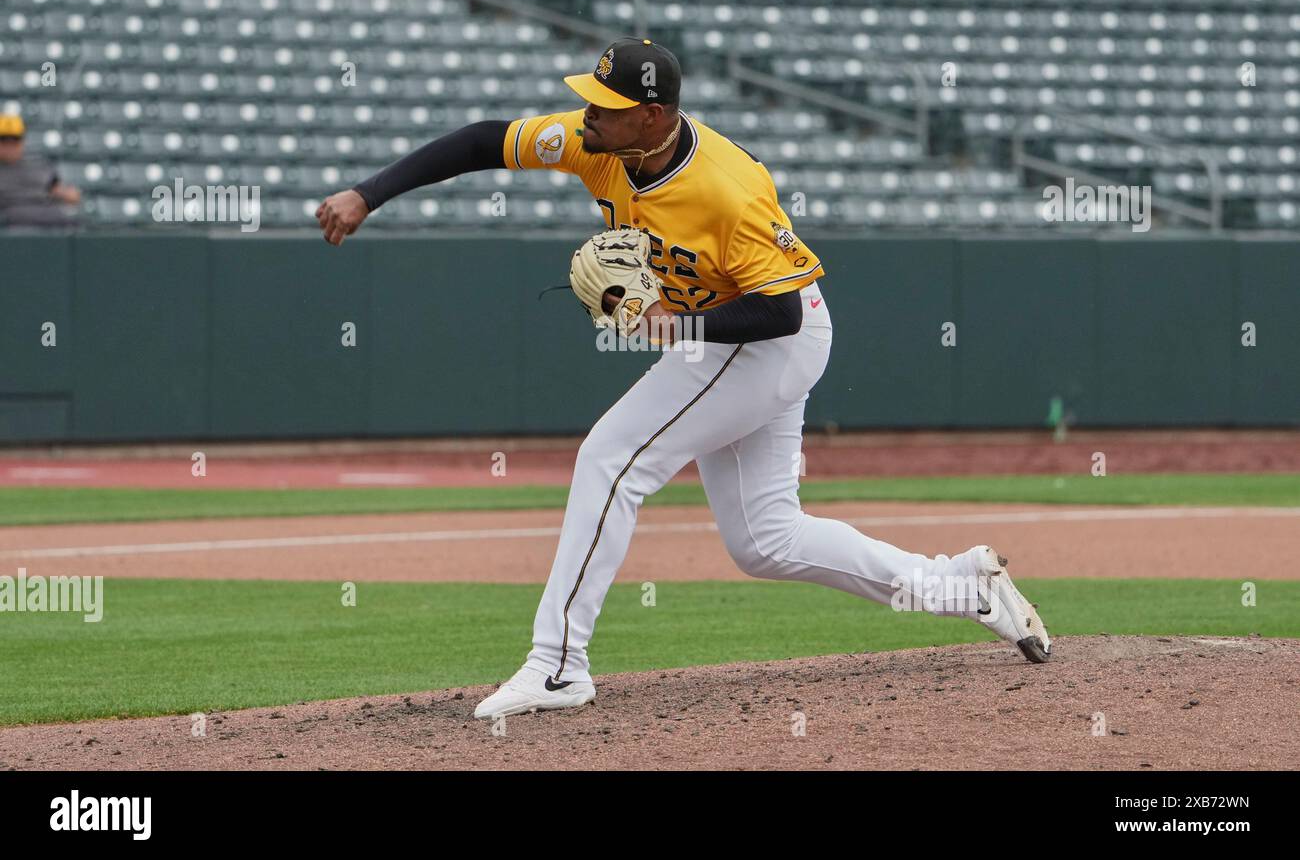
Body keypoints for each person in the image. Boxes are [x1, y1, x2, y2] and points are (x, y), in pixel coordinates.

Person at [315, 39, 1051, 720]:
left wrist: (672, 326)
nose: (587, 114)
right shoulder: (594, 142)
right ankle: (961, 588)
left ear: (654, 115)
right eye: (589, 99)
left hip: (768, 337)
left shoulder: (725, 188)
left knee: (612, 458)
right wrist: (369, 193)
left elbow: (781, 311)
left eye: (606, 105)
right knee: (764, 540)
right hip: (734, 334)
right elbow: (484, 139)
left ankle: (559, 663)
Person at [0, 114, 81, 230]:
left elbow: (68, 195)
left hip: (46, 215)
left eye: (14, 140)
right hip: (13, 218)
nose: (10, 146)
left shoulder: (38, 165)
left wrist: (67, 194)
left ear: (22, 142)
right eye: (4, 141)